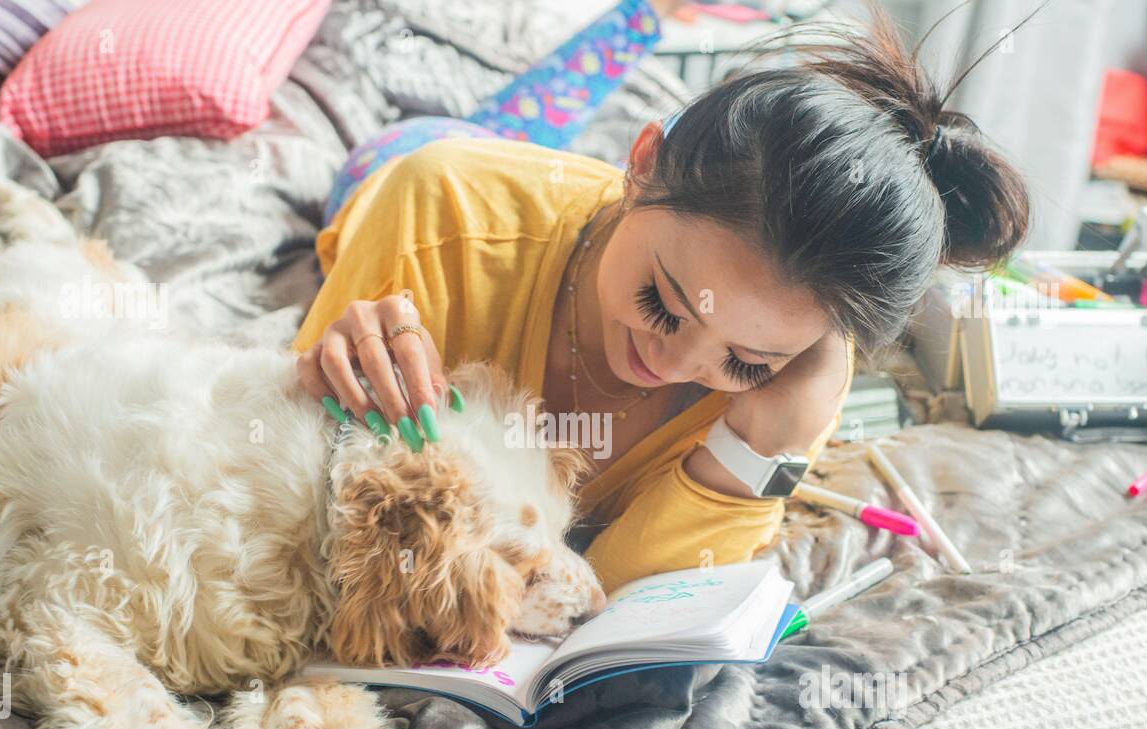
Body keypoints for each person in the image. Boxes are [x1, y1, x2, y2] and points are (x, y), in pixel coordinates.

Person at [292, 0, 1031, 595]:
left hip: (578, 198)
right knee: (457, 137)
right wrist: (330, 372)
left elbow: (618, 606)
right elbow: (306, 498)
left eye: (743, 363)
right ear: (643, 163)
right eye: (664, 302)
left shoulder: (800, 374)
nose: (673, 363)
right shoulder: (439, 211)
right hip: (400, 167)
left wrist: (755, 455)